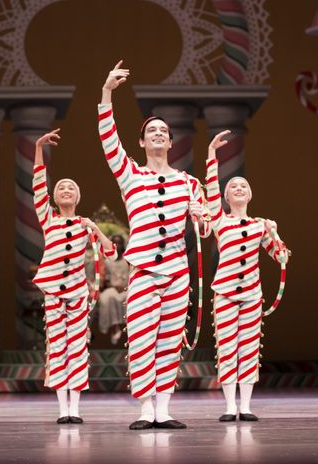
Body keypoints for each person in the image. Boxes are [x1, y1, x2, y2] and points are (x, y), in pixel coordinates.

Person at [98, 60, 207, 430]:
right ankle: (146, 410)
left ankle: (164, 409)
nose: (158, 134)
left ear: (171, 142)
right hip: (144, 269)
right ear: (142, 142)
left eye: (164, 131)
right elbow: (109, 141)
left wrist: (199, 217)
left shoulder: (189, 183)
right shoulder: (131, 174)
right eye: (151, 131)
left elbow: (206, 229)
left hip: (177, 271)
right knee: (143, 338)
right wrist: (107, 92)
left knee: (169, 339)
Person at [32, 129, 116, 424]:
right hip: (54, 289)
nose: (66, 190)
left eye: (71, 188)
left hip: (78, 291)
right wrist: (39, 149)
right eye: (61, 188)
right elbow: (38, 187)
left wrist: (95, 227)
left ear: (78, 196)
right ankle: (62, 408)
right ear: (55, 197)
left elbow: (111, 253)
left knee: (78, 346)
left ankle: (75, 408)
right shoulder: (49, 219)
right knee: (57, 345)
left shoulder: (84, 225)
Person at [206, 130, 289, 422]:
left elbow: (280, 257)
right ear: (226, 196)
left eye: (243, 186)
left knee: (250, 347)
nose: (238, 188)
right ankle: (230, 406)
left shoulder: (259, 225)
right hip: (225, 291)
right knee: (227, 346)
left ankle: (246, 405)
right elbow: (211, 189)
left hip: (252, 293)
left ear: (250, 194)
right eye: (233, 186)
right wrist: (211, 156)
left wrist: (275, 234)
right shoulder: (219, 220)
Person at [97, 234, 129, 344]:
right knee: (108, 297)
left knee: (130, 296)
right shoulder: (107, 261)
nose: (117, 245)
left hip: (127, 289)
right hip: (112, 289)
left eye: (119, 242)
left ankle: (129, 327)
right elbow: (105, 280)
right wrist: (114, 287)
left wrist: (124, 287)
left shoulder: (127, 260)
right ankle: (115, 328)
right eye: (115, 243)